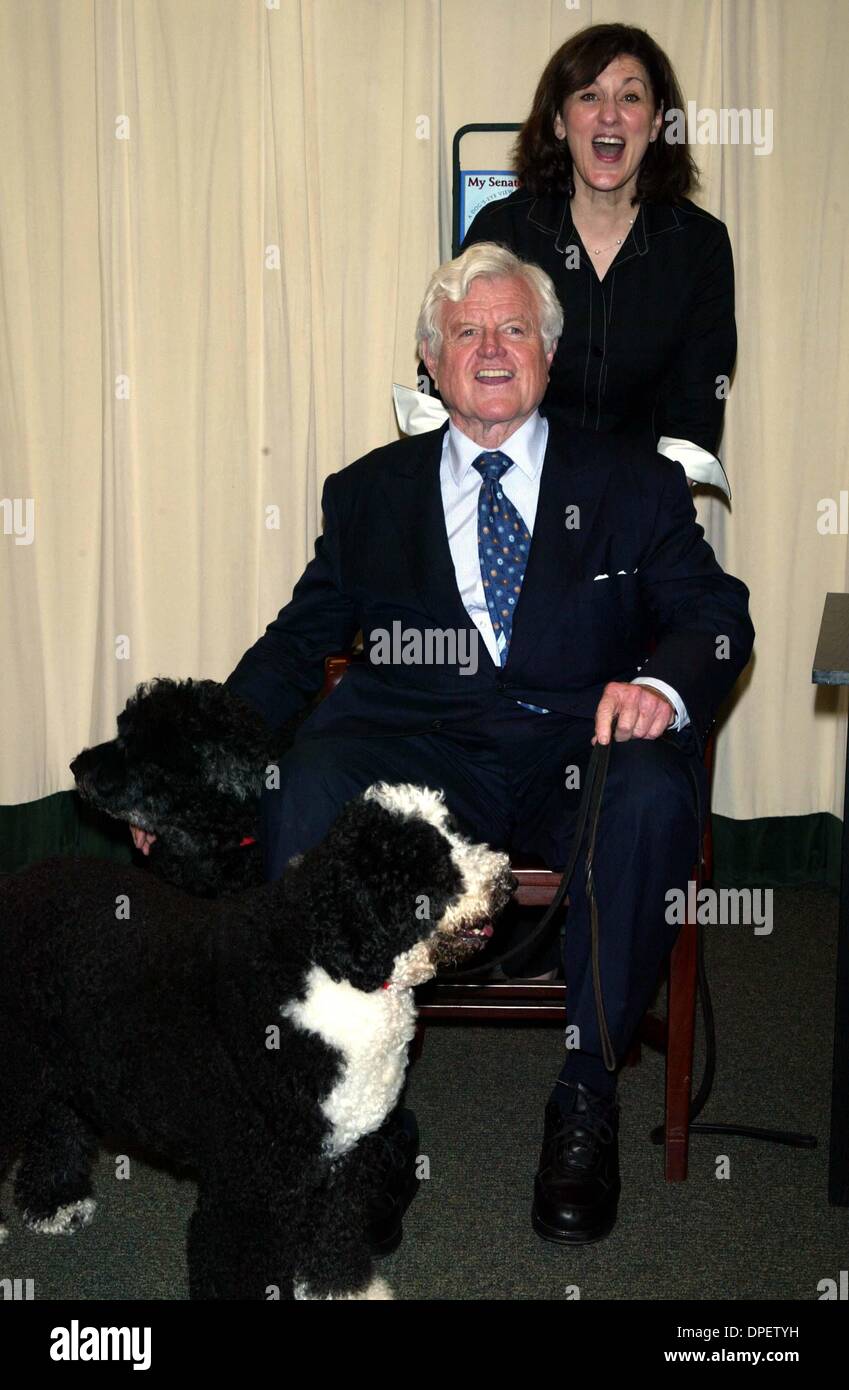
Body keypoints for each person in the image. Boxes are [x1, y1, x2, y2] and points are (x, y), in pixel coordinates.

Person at [224, 242, 753, 1245]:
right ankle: (351, 1117)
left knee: (648, 792)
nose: (492, 348)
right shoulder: (369, 493)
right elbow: (298, 647)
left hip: (578, 751)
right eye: (465, 331)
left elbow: (714, 613)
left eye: (515, 328)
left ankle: (587, 1092)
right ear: (432, 359)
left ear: (548, 354)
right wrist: (201, 754)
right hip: (431, 755)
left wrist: (659, 686)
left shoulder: (634, 483)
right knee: (308, 778)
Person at [454, 23, 736, 496]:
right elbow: (460, 373)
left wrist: (644, 517)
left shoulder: (698, 245)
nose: (610, 116)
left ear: (657, 121)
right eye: (588, 96)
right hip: (514, 498)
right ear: (560, 121)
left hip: (644, 506)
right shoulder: (502, 232)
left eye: (630, 98)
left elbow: (696, 413)